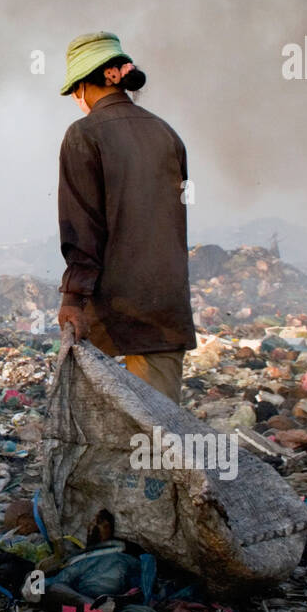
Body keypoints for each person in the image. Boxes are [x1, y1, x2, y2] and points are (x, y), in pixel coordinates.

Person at [56, 31, 196, 402]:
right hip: (165, 304)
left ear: (85, 85)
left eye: (74, 89)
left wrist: (72, 298)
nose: (74, 98)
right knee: (161, 429)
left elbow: (82, 226)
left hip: (111, 304)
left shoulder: (83, 134)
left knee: (102, 425)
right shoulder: (167, 133)